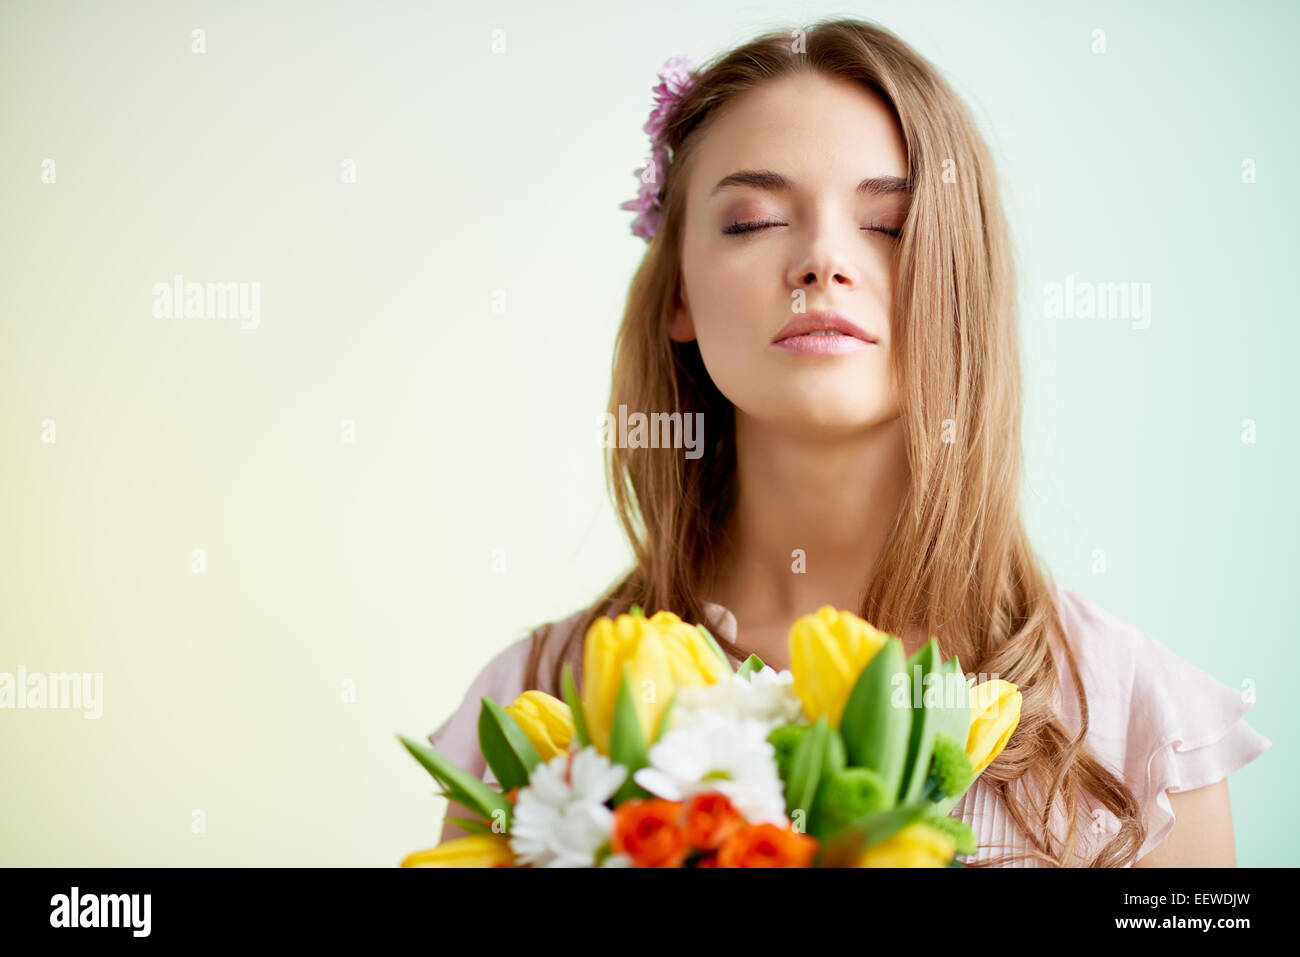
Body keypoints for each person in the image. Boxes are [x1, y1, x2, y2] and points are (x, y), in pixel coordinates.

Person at [427, 18, 1269, 866]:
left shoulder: (1145, 732)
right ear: (677, 293)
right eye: (753, 221)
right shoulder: (529, 703)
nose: (822, 260)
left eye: (891, 224)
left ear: (959, 284)